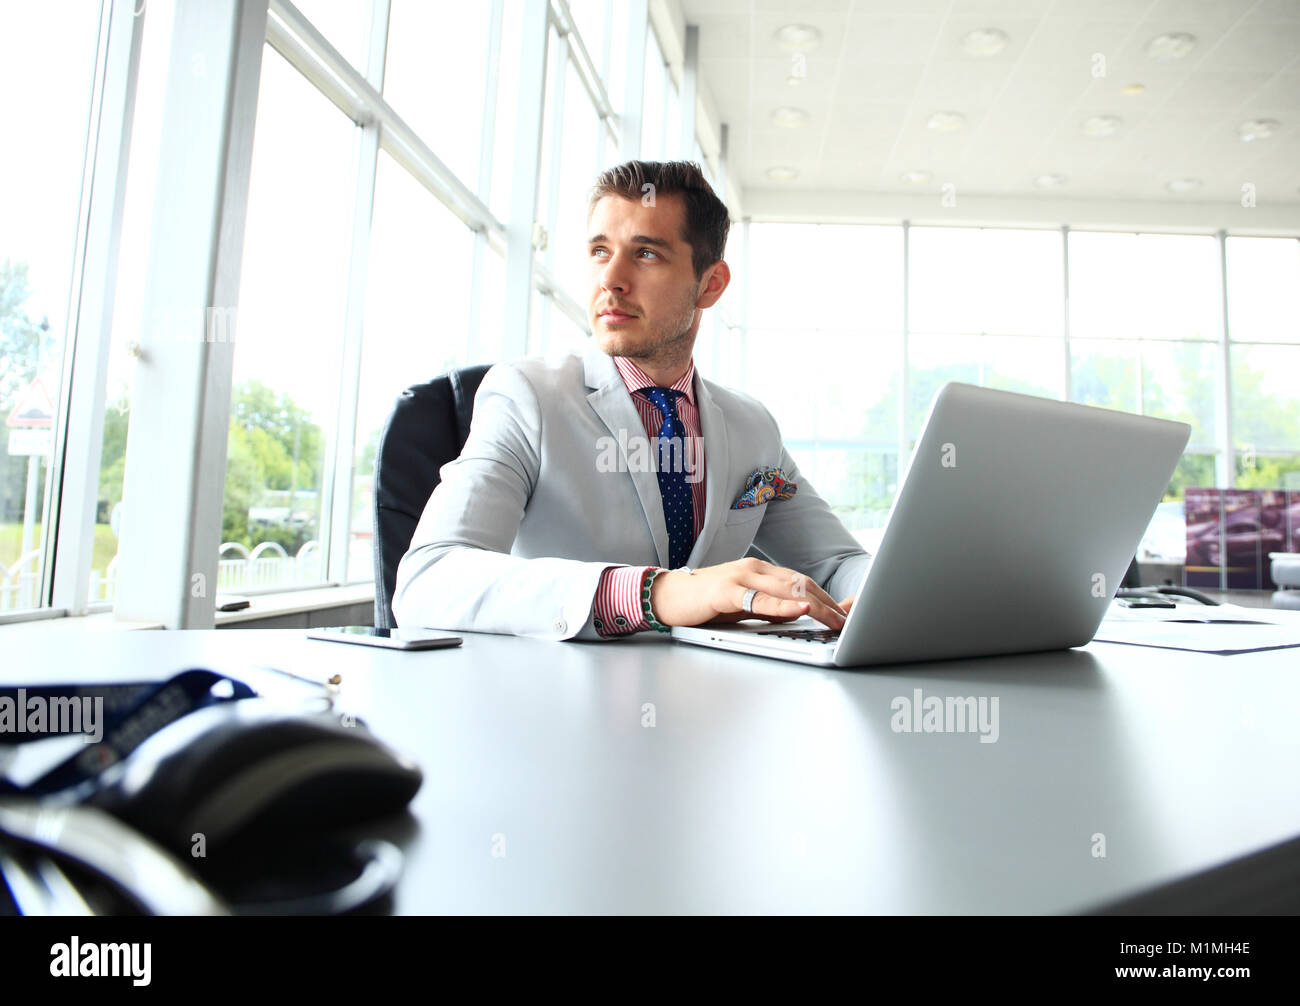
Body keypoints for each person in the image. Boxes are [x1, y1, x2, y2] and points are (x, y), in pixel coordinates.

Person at [393, 160, 871, 640]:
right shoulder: (526, 397)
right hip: (559, 702)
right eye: (600, 251)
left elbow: (838, 562)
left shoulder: (753, 427)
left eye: (645, 254)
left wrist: (880, 597)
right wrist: (657, 594)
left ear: (711, 284)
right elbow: (428, 580)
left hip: (716, 701)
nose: (611, 280)